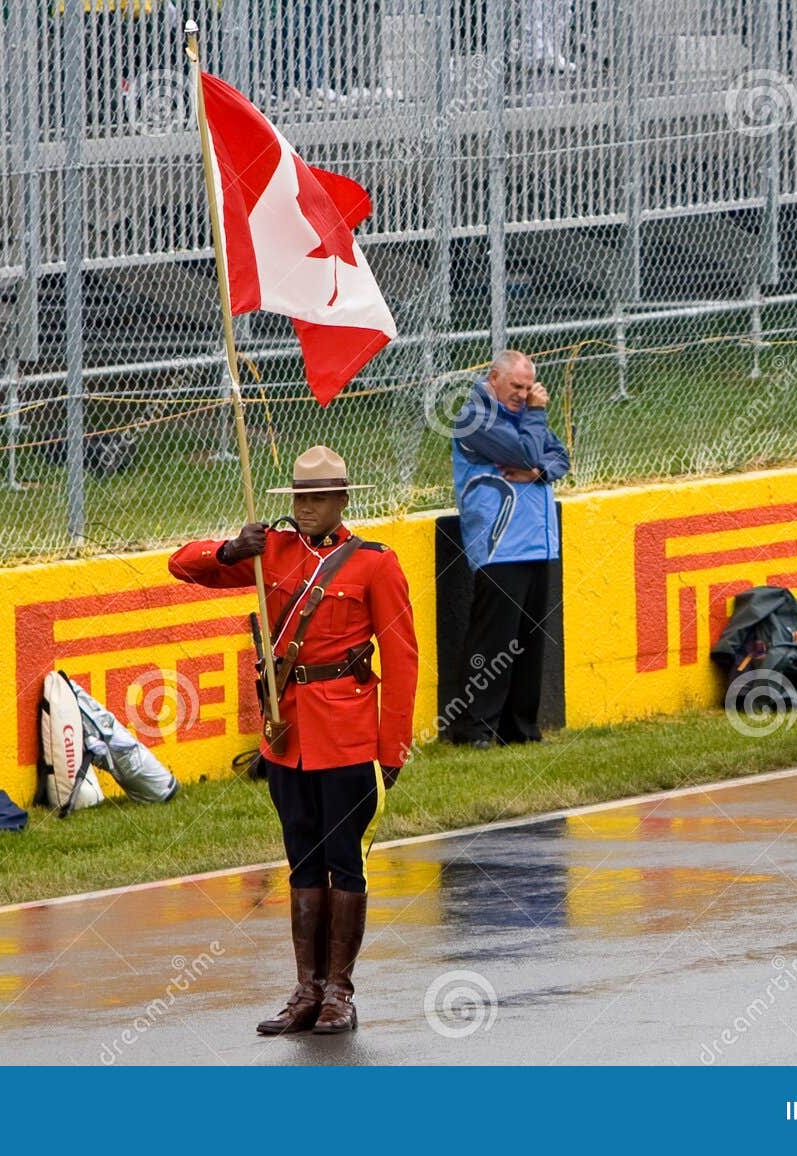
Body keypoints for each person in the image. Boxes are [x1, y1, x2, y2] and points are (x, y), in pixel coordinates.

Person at [168, 446, 418, 1035]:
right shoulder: (269, 552)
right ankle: (305, 991)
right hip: (287, 735)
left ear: (341, 500)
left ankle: (340, 995)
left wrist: (393, 747)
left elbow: (402, 659)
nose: (306, 509)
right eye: (299, 499)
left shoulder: (375, 565)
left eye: (318, 499)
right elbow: (182, 565)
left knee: (344, 863)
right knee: (302, 861)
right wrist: (230, 550)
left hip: (349, 737)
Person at [447, 350, 570, 749]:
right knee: (492, 642)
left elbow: (559, 457)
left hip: (538, 542)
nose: (523, 394)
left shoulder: (525, 415)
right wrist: (533, 442)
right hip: (499, 547)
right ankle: (473, 727)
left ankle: (520, 728)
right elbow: (528, 452)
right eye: (515, 386)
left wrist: (537, 471)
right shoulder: (473, 418)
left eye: (527, 386)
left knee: (531, 641)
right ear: (494, 378)